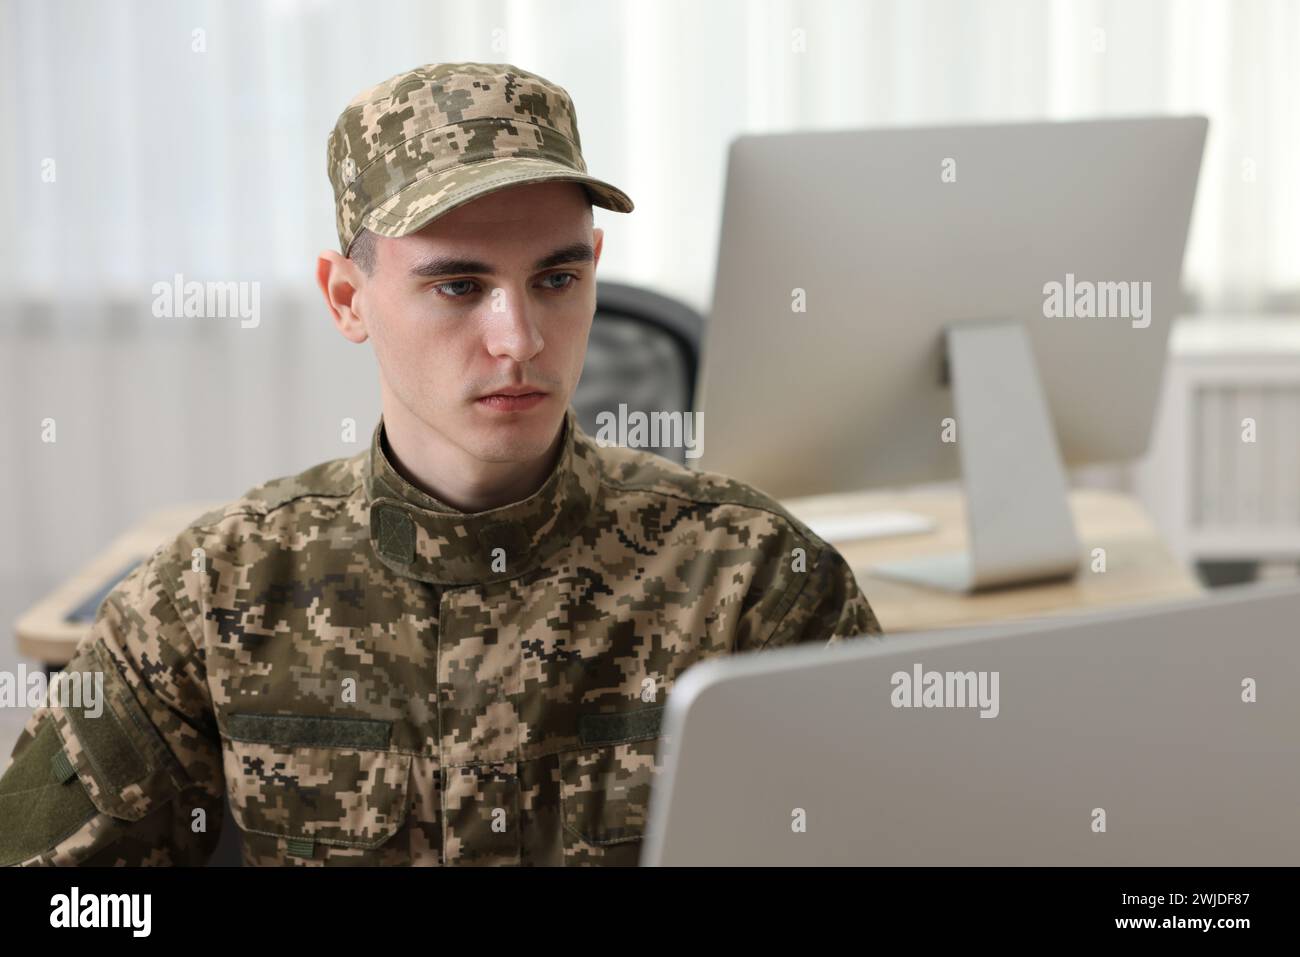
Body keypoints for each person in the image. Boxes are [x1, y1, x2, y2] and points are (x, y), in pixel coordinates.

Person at [0, 62, 882, 867]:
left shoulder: (755, 578)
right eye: (459, 286)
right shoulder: (211, 593)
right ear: (347, 298)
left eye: (556, 279)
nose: (519, 339)